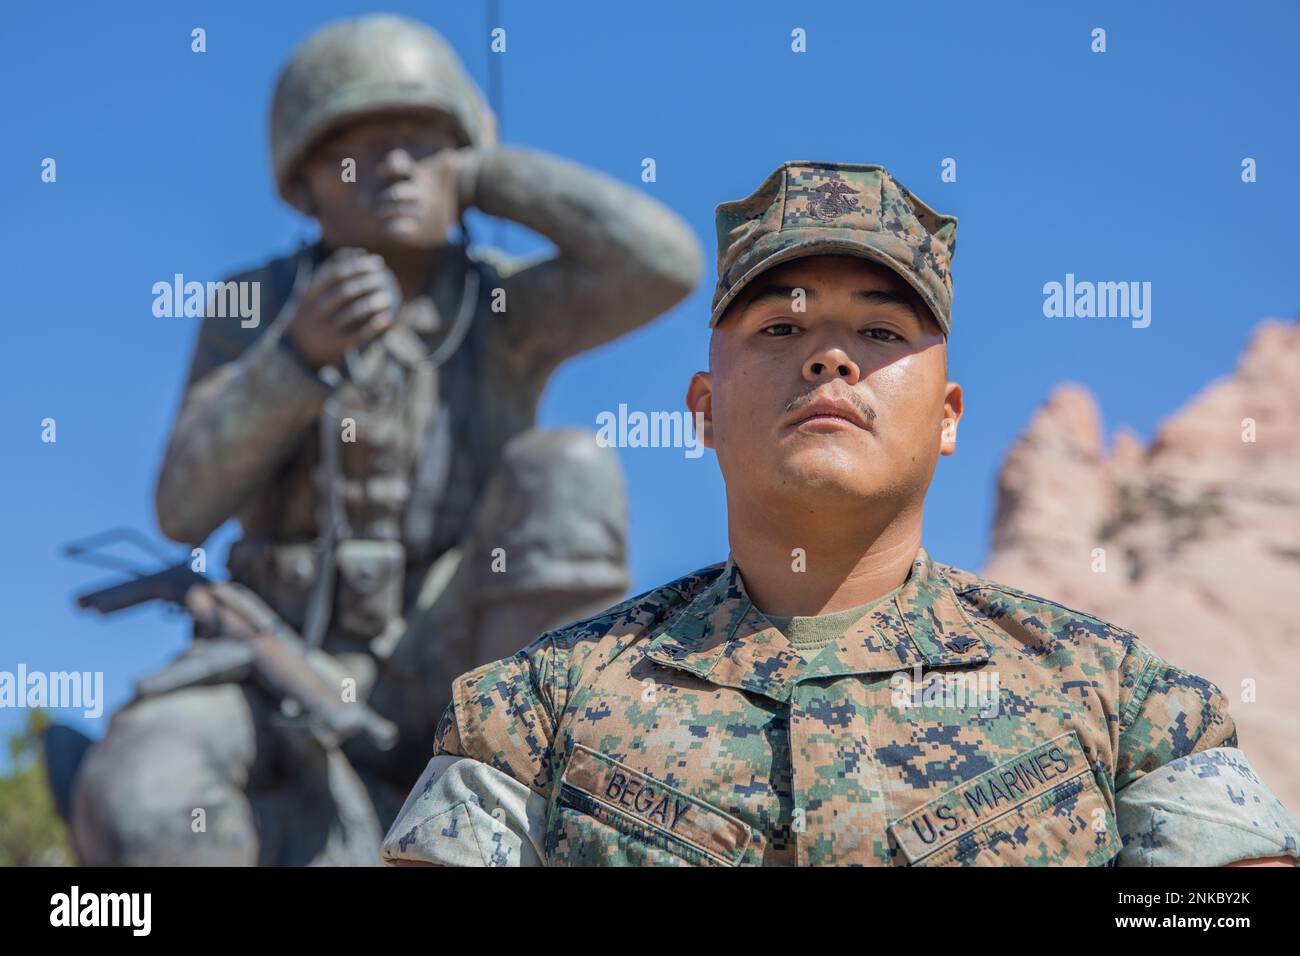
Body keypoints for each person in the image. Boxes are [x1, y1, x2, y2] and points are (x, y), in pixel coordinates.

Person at [381, 160, 1299, 866]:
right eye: (780, 329)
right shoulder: (532, 716)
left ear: (947, 420)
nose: (829, 360)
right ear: (702, 408)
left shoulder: (1124, 707)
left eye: (880, 331)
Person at [69, 14, 702, 866]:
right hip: (273, 663)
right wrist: (293, 359)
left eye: (422, 142)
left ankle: (548, 764)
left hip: (456, 658)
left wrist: (486, 170)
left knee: (567, 467)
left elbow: (663, 263)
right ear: (305, 180)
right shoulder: (252, 306)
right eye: (358, 149)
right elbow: (181, 509)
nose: (396, 165)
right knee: (141, 802)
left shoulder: (501, 309)